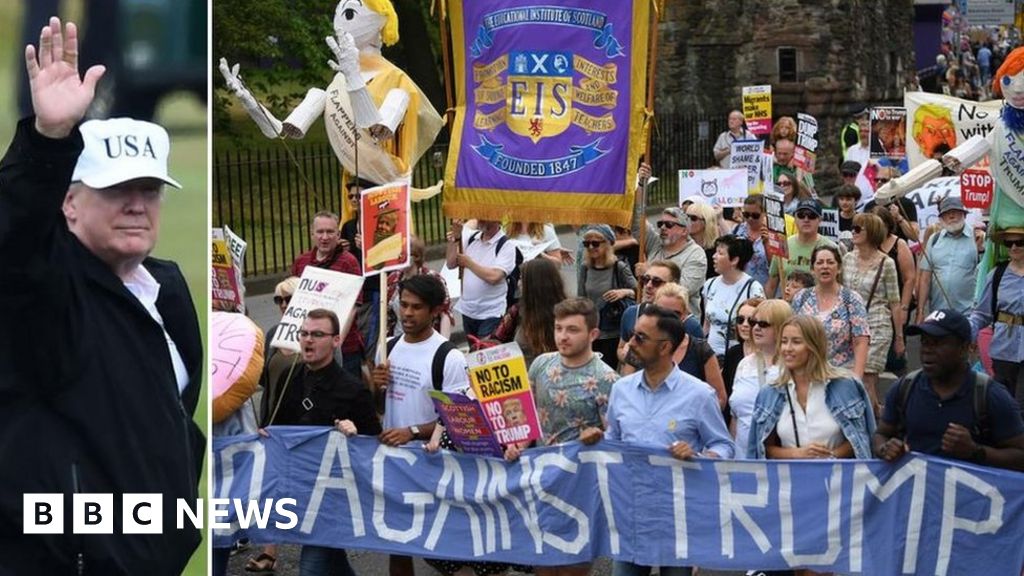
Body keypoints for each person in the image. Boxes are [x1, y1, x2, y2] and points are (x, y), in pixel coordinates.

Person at [0, 18, 203, 573]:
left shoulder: (167, 291)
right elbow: (14, 239)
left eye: (149, 189)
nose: (136, 204)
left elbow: (172, 419)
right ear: (69, 205)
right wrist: (45, 143)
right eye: (115, 190)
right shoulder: (43, 289)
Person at [599, 305, 735, 576]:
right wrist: (597, 441)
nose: (630, 345)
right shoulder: (621, 389)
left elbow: (724, 446)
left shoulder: (699, 395)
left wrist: (700, 456)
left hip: (679, 515)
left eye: (640, 338)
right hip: (632, 512)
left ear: (665, 347)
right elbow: (612, 442)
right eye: (632, 335)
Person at [501, 297, 616, 576]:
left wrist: (599, 435)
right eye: (559, 328)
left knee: (571, 568)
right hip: (540, 479)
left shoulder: (607, 379)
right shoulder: (541, 364)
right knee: (543, 562)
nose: (563, 336)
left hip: (581, 487)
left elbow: (617, 438)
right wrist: (517, 442)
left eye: (572, 330)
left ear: (593, 334)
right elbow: (525, 413)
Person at [270, 309, 381, 576]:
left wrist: (356, 432)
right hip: (300, 488)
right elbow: (277, 429)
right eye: (305, 333)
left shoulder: (353, 389)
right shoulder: (289, 379)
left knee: (311, 567)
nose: (308, 340)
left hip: (333, 496)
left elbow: (374, 443)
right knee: (333, 563)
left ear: (335, 341)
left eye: (317, 334)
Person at [372, 275, 469, 576]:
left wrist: (412, 432)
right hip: (394, 463)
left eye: (416, 307)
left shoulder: (448, 357)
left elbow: (456, 419)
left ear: (435, 311)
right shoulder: (387, 347)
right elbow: (379, 408)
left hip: (433, 464)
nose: (408, 313)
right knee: (398, 544)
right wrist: (376, 387)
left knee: (445, 548)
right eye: (403, 305)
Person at [875, 309, 1024, 471]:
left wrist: (976, 451)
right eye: (924, 342)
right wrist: (885, 449)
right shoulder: (904, 388)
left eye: (937, 343)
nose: (927, 350)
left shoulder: (990, 396)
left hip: (970, 494)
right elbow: (880, 434)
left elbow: (1020, 456)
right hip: (915, 493)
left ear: (963, 348)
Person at [748, 314, 876, 459]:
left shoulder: (845, 385)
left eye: (796, 342)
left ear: (814, 345)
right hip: (788, 478)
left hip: (838, 476)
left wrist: (829, 456)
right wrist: (797, 454)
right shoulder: (769, 392)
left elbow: (861, 438)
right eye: (784, 341)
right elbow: (762, 448)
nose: (787, 348)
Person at [623, 284, 729, 409]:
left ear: (685, 314)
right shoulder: (638, 344)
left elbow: (720, 398)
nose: (668, 319)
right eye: (662, 313)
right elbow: (627, 390)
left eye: (675, 314)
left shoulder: (700, 350)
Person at [291, 210, 365, 376]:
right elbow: (292, 303)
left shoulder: (349, 262)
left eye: (330, 232)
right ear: (312, 234)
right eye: (320, 232)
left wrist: (335, 343)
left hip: (345, 348)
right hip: (309, 347)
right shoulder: (301, 262)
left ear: (338, 235)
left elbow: (353, 307)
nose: (325, 237)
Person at [844, 213, 903, 412]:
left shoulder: (886, 263)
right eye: (853, 227)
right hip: (851, 326)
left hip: (877, 325)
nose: (853, 232)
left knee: (867, 378)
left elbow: (894, 302)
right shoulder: (847, 259)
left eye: (858, 229)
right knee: (855, 377)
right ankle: (879, 415)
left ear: (872, 233)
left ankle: (870, 429)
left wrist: (899, 337)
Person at [791, 246, 870, 378]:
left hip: (840, 374)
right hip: (806, 373)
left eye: (830, 262)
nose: (825, 266)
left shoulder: (851, 299)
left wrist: (857, 378)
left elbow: (861, 340)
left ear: (838, 268)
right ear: (812, 269)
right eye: (820, 263)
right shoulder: (801, 297)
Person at [730, 299, 794, 458]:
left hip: (780, 463)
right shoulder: (744, 364)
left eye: (764, 324)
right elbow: (736, 417)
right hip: (742, 461)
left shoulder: (793, 368)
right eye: (754, 322)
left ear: (781, 327)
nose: (756, 328)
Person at [969, 227, 1024, 403]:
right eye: (1009, 243)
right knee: (1004, 404)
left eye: (1020, 242)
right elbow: (982, 313)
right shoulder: (997, 275)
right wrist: (966, 331)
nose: (1014, 247)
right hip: (1003, 349)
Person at [617, 261, 704, 367]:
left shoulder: (690, 324)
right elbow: (621, 348)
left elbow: (700, 363)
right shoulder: (631, 313)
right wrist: (628, 356)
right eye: (645, 279)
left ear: (673, 285)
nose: (648, 285)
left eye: (656, 282)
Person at [447, 218, 518, 340]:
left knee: (485, 352)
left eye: (484, 217)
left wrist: (469, 263)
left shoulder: (506, 245)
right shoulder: (472, 238)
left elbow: (494, 277)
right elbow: (451, 263)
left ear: (497, 219)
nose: (480, 220)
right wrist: (454, 240)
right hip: (468, 311)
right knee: (473, 351)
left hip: (491, 314)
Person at [490, 257, 568, 368]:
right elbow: (495, 341)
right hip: (524, 380)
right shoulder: (516, 311)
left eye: (522, 279)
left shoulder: (568, 313)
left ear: (534, 284)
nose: (518, 283)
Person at [579, 224, 637, 371]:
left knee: (607, 371)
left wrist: (623, 292)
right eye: (587, 244)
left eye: (596, 243)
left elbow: (639, 292)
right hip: (591, 330)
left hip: (612, 330)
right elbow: (581, 298)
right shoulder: (585, 267)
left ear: (608, 244)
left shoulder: (619, 267)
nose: (591, 247)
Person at [701, 235, 765, 358]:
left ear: (734, 260)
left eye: (720, 253)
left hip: (739, 357)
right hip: (711, 357)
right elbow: (707, 324)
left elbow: (760, 326)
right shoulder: (710, 285)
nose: (714, 257)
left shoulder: (752, 288)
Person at [917, 197, 979, 319]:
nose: (951, 216)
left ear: (964, 215)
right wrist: (920, 312)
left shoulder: (976, 238)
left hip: (969, 313)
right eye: (946, 213)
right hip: (938, 313)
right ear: (941, 218)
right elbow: (925, 278)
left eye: (955, 211)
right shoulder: (934, 240)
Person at [639, 207, 707, 316]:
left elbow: (683, 290)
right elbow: (637, 225)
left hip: (678, 322)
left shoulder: (696, 255)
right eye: (660, 223)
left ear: (684, 230)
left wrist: (651, 274)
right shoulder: (656, 243)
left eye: (669, 224)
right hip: (649, 317)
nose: (663, 227)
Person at [766, 199, 840, 297]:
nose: (806, 219)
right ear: (795, 218)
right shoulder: (783, 245)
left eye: (811, 216)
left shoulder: (831, 248)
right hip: (788, 308)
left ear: (820, 220)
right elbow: (772, 285)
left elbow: (839, 284)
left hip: (820, 307)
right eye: (801, 215)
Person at [386, 235, 452, 338]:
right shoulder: (392, 280)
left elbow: (445, 313)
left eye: (404, 255)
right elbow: (387, 317)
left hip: (427, 341)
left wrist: (444, 345)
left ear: (416, 256)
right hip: (399, 340)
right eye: (397, 254)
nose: (399, 258)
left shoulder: (434, 279)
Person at [721, 296, 765, 418]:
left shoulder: (770, 355)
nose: (744, 325)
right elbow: (726, 391)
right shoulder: (733, 353)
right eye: (740, 320)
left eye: (751, 321)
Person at [731, 195, 770, 286]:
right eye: (746, 215)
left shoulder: (773, 234)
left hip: (764, 288)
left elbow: (775, 267)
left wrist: (767, 243)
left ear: (765, 213)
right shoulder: (737, 230)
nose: (750, 219)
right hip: (738, 287)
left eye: (755, 215)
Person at [685, 201, 720, 279]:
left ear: (706, 222)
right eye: (686, 217)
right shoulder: (680, 246)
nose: (687, 221)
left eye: (693, 218)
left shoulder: (716, 251)